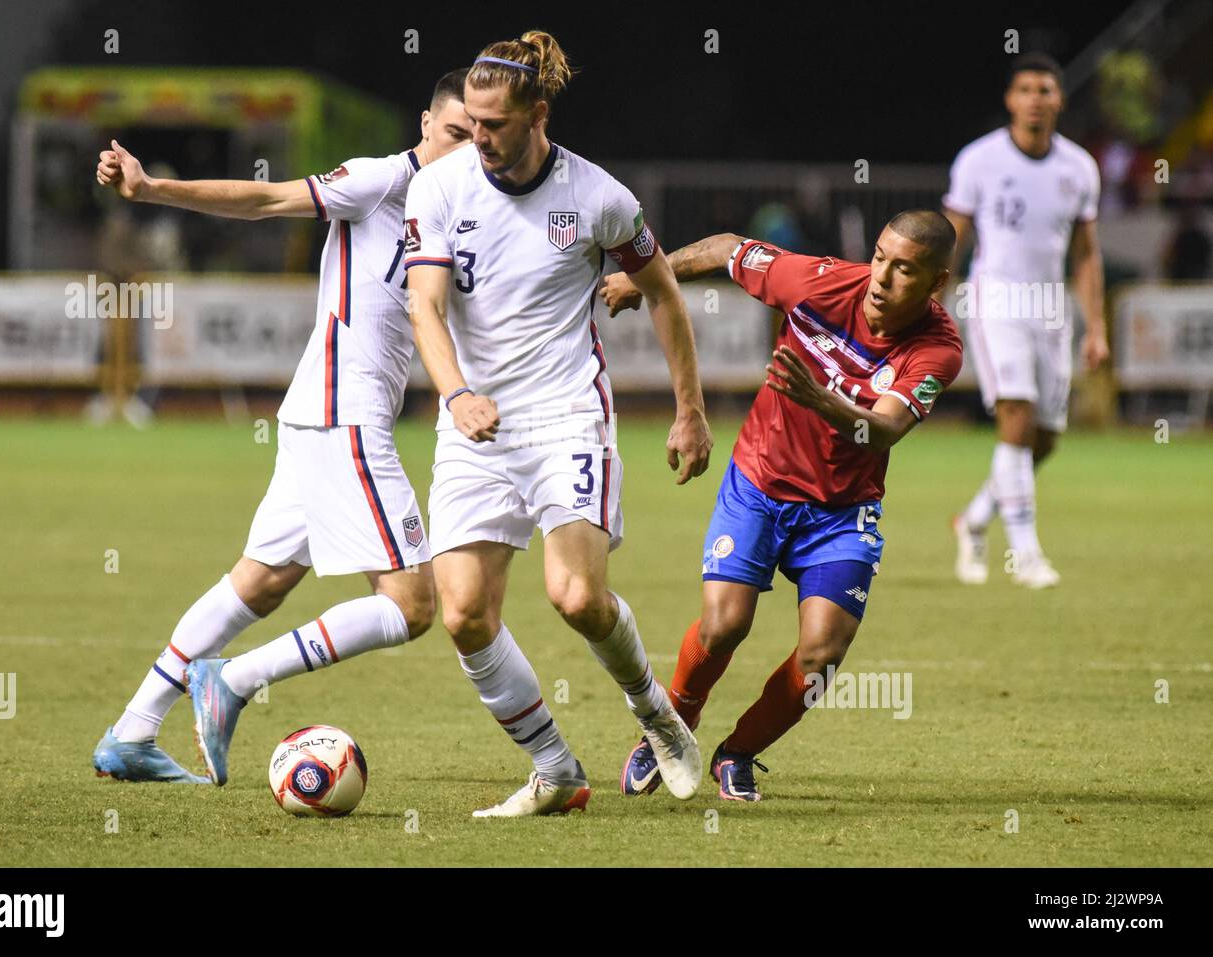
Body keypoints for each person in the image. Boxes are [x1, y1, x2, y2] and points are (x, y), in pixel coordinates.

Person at [91, 70, 474, 785]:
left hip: (320, 415)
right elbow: (267, 198)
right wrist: (152, 191)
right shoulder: (380, 181)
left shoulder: (462, 205)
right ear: (427, 124)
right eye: (456, 132)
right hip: (343, 413)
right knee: (414, 605)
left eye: (480, 135)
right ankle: (233, 679)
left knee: (261, 581)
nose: (468, 147)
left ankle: (131, 731)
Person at [404, 30, 713, 817]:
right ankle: (555, 767)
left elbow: (666, 292)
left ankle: (655, 714)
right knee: (465, 614)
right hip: (473, 423)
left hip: (566, 414)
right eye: (470, 122)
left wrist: (690, 410)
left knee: (576, 597)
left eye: (495, 124)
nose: (478, 137)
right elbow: (426, 307)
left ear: (538, 112)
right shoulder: (438, 190)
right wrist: (456, 393)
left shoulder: (598, 196)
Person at [602, 212, 963, 801]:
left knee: (822, 655)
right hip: (760, 484)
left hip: (843, 512)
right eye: (879, 257)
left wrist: (821, 400)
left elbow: (885, 431)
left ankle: (737, 754)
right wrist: (642, 277)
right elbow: (724, 248)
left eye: (904, 270)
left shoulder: (937, 351)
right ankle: (670, 730)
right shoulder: (819, 281)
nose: (881, 278)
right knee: (723, 626)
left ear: (936, 283)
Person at [945, 53, 1109, 589]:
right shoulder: (979, 160)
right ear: (1010, 100)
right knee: (1015, 417)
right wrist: (934, 299)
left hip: (1050, 305)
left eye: (1046, 89)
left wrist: (1098, 328)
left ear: (1059, 99)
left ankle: (972, 520)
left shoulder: (1079, 167)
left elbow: (1086, 253)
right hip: (996, 300)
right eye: (1026, 89)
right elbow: (954, 235)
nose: (1036, 99)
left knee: (1044, 438)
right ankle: (1026, 554)